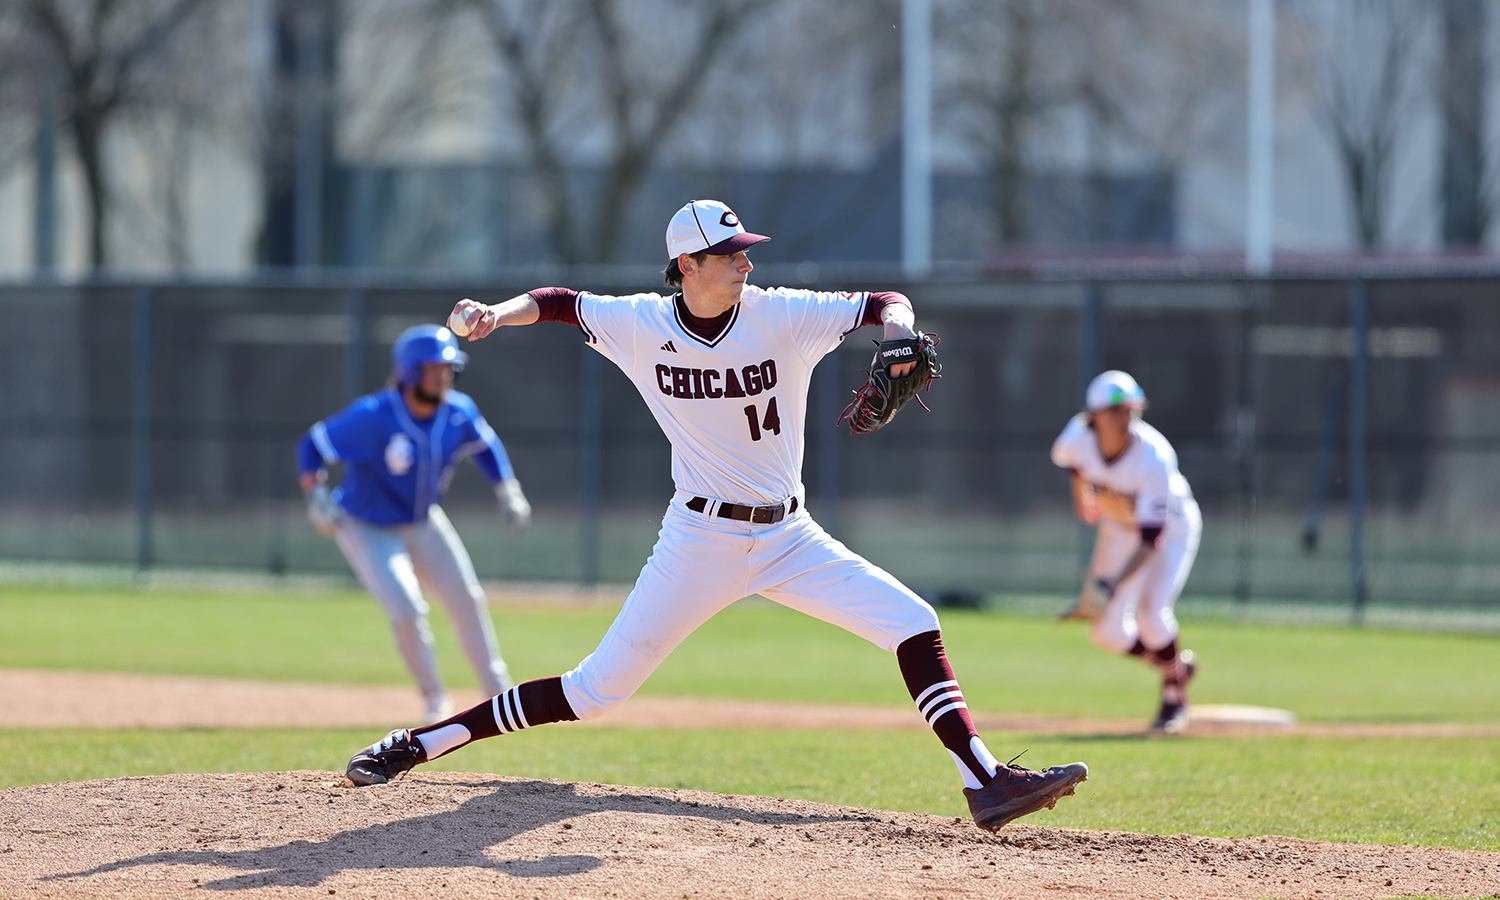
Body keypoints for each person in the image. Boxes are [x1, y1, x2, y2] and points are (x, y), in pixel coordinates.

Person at [343, 199, 1088, 834]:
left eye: (744, 250)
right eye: (728, 253)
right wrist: (492, 317)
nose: (745, 263)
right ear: (687, 266)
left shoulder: (782, 314)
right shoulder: (640, 324)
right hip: (699, 538)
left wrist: (897, 333)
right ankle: (420, 742)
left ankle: (985, 779)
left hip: (790, 537)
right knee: (594, 692)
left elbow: (884, 304)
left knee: (914, 621)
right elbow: (562, 302)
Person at [298, 323, 533, 724]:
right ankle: (433, 698)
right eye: (433, 369)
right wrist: (317, 496)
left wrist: (507, 489)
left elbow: (486, 446)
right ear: (409, 372)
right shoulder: (374, 415)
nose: (444, 377)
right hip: (366, 525)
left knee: (467, 600)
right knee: (407, 610)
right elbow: (314, 446)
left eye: (448, 369)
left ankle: (497, 692)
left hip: (423, 522)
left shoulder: (458, 411)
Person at [1052, 370, 1202, 734]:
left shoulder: (1153, 456)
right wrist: (1081, 499)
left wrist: (1114, 584)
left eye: (1131, 411)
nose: (1125, 418)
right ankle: (1173, 665)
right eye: (1116, 411)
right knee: (1105, 632)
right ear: (1095, 416)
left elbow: (1152, 539)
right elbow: (1071, 462)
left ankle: (1173, 694)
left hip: (1173, 528)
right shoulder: (1077, 436)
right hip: (1119, 527)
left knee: (1152, 613)